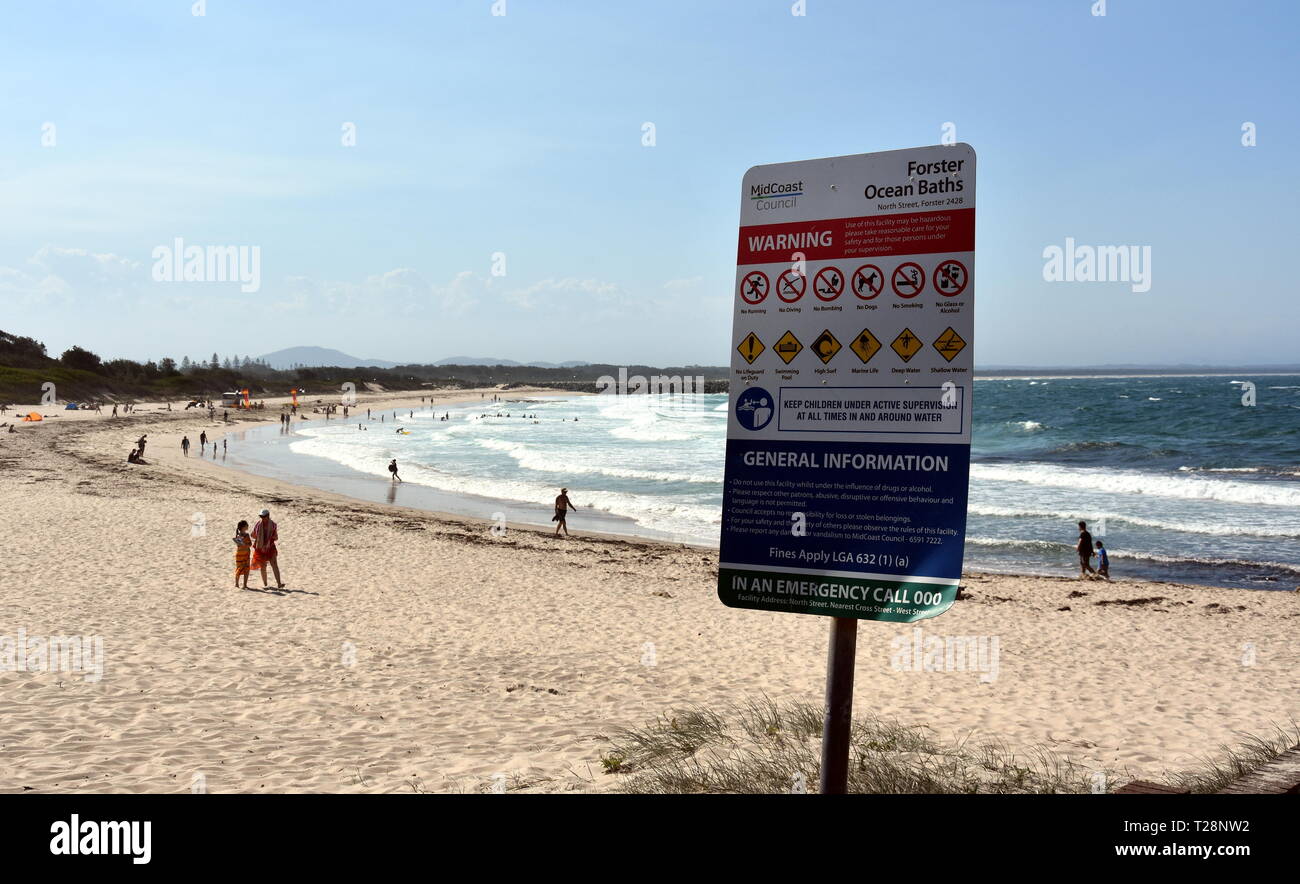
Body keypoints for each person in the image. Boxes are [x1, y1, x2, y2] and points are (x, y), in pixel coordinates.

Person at [252, 508, 284, 589]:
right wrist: (260, 539)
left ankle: (279, 583)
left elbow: (276, 537)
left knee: (274, 564)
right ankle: (265, 584)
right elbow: (252, 535)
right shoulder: (258, 525)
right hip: (261, 547)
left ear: (268, 516)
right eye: (261, 516)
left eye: (264, 516)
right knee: (263, 566)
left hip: (270, 547)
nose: (262, 518)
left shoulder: (273, 525)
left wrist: (271, 538)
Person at [233, 520, 253, 589]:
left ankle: (245, 584)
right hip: (240, 555)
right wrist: (242, 544)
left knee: (247, 569)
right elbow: (238, 545)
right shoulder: (238, 536)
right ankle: (236, 583)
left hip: (246, 554)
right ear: (243, 527)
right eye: (247, 525)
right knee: (239, 568)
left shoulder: (247, 535)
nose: (248, 526)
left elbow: (250, 544)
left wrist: (246, 545)